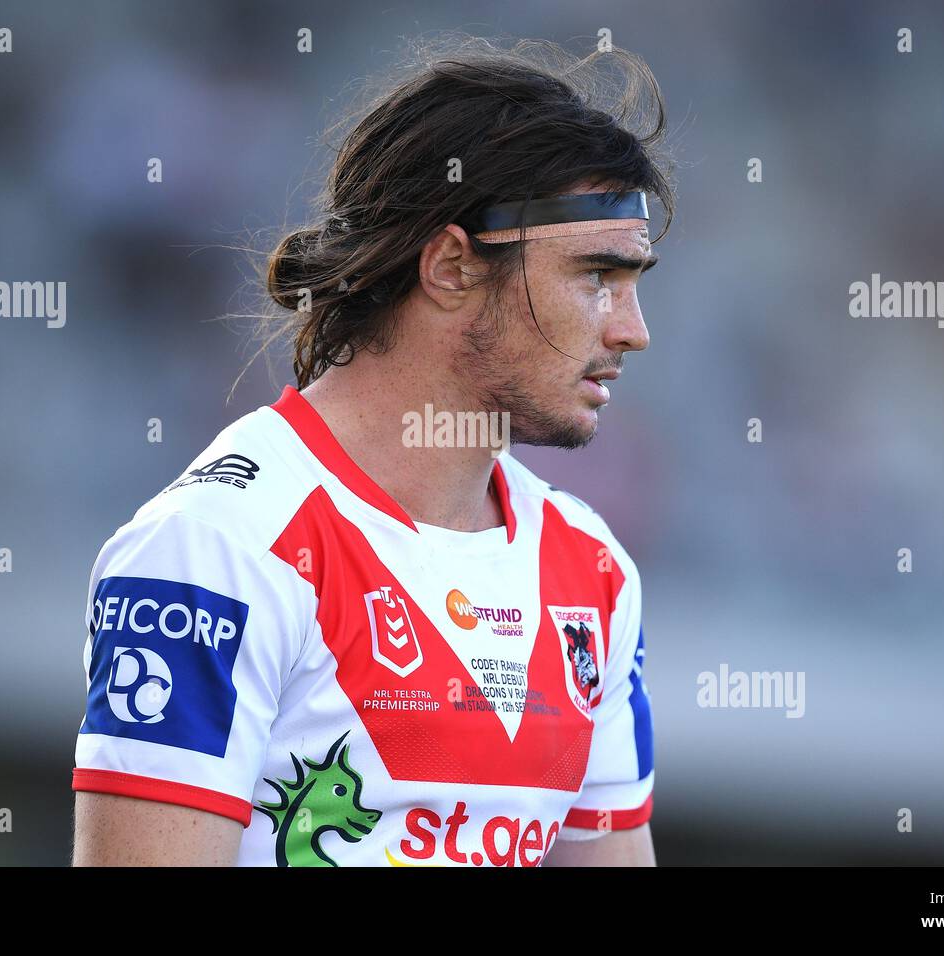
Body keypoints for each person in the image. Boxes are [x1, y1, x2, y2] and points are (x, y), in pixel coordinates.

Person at [71, 37, 673, 867]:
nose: (632, 330)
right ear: (453, 266)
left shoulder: (594, 573)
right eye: (596, 276)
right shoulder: (215, 550)